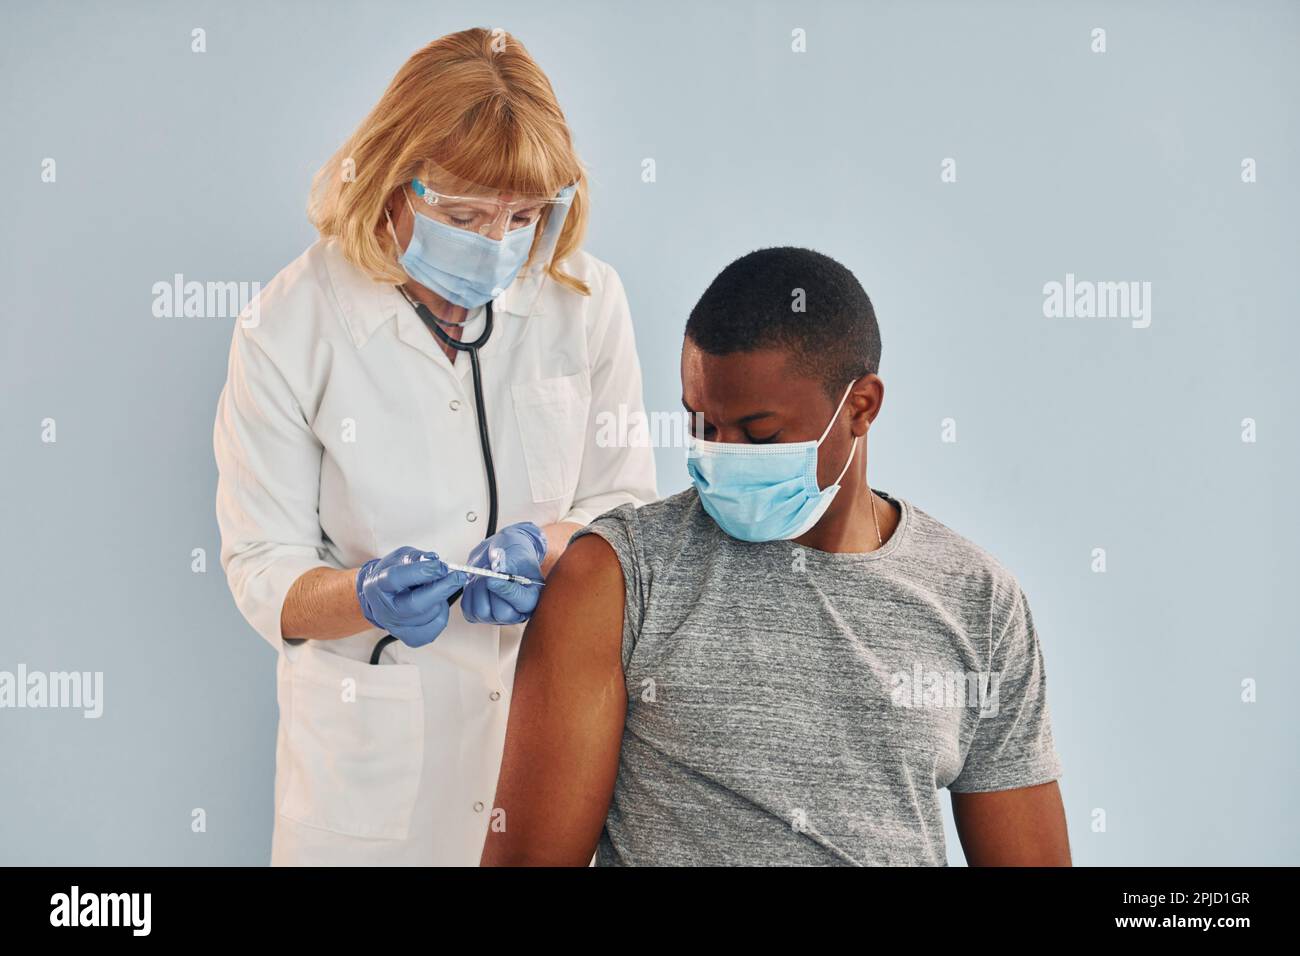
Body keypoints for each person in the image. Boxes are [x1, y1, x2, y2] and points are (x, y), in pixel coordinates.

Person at [213, 28, 657, 866]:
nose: (497, 242)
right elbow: (260, 565)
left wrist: (555, 548)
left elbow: (628, 510)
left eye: (524, 216)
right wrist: (363, 596)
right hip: (366, 778)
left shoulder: (586, 301)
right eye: (463, 214)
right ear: (391, 183)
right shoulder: (289, 325)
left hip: (548, 743)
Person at [482, 247, 1069, 866]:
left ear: (861, 406)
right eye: (703, 426)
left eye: (760, 434)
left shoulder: (976, 599)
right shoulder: (619, 574)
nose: (722, 454)